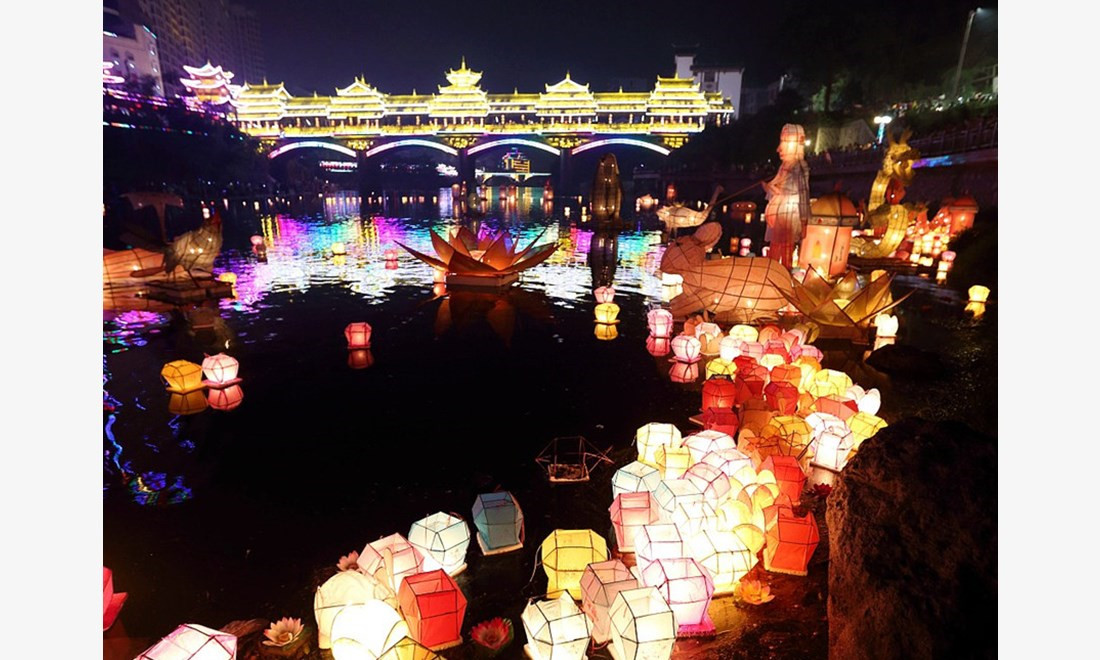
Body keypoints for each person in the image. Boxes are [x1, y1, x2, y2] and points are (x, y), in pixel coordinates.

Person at [761, 124, 810, 269]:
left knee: (787, 245)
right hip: (779, 211)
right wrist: (770, 187)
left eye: (784, 143)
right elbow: (776, 185)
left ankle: (785, 272)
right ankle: (773, 270)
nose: (779, 149)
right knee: (775, 244)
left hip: (789, 211)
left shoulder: (800, 166)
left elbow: (803, 193)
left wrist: (804, 220)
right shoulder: (784, 167)